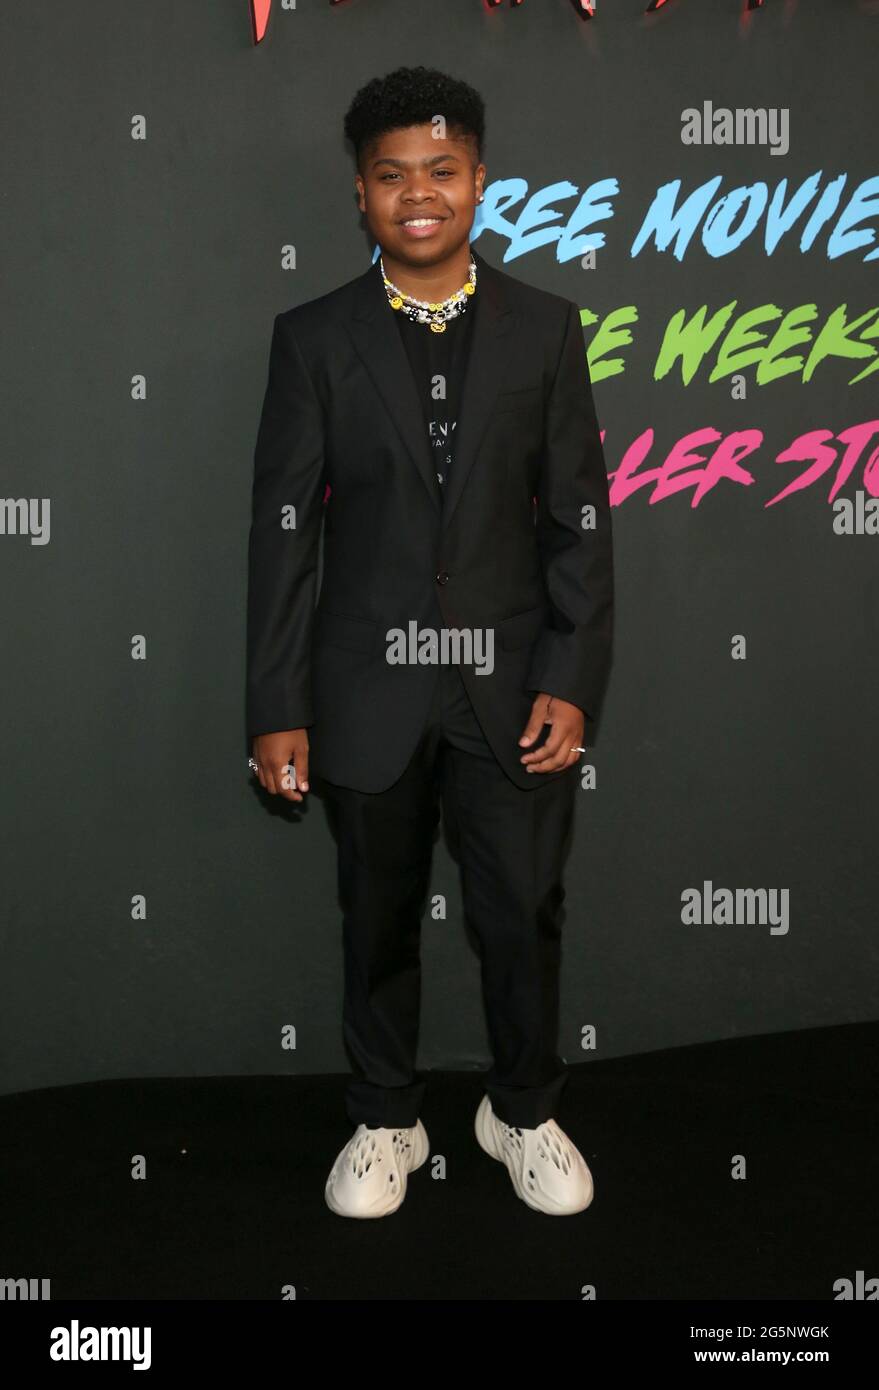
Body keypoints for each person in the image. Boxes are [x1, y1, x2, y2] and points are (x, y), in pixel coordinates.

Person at [246, 66, 614, 1218]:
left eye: (442, 172)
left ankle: (522, 1107)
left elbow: (579, 525)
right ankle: (384, 1115)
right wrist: (275, 702)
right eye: (393, 174)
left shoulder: (547, 330)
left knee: (522, 911)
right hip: (365, 690)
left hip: (509, 689)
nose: (420, 194)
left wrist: (569, 675)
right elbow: (281, 537)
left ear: (479, 185)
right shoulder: (310, 339)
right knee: (379, 912)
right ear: (360, 194)